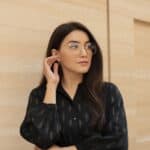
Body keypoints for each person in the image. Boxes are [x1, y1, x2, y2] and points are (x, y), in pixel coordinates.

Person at [19, 21, 128, 150]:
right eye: (74, 46)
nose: (84, 53)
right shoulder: (39, 95)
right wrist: (51, 86)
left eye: (88, 46)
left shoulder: (109, 92)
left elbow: (119, 143)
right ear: (56, 55)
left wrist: (73, 149)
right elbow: (43, 140)